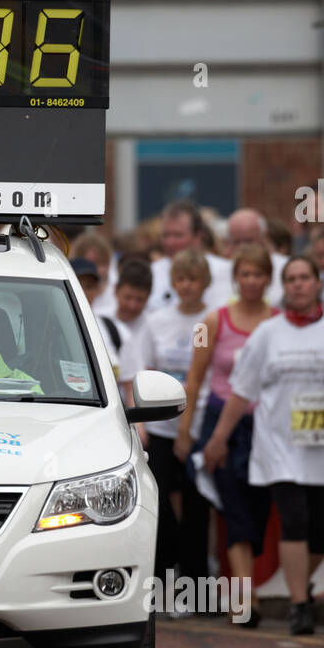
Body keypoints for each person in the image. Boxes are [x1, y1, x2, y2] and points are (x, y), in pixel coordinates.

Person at [202, 255, 324, 635]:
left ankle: (302, 582)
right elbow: (240, 392)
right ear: (285, 287)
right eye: (291, 279)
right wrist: (217, 439)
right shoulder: (268, 333)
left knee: (323, 532)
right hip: (279, 446)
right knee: (294, 521)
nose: (298, 284)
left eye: (305, 277)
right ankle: (300, 606)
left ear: (317, 284)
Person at [175, 243, 278, 626]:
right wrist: (186, 431)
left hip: (266, 427)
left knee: (259, 507)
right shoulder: (210, 322)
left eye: (258, 274)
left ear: (269, 279)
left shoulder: (279, 321)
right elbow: (194, 377)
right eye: (245, 274)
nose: (251, 281)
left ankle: (245, 588)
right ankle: (244, 599)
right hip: (221, 424)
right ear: (235, 279)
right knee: (232, 507)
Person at [135, 249, 211, 591]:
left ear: (205, 282)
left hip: (202, 425)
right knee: (160, 502)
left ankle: (196, 579)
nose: (186, 285)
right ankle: (164, 579)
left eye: (193, 279)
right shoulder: (157, 320)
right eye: (180, 279)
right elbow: (143, 367)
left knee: (198, 505)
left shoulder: (214, 318)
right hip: (162, 425)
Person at [146, 200, 233, 313]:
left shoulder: (226, 271)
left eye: (178, 235)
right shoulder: (151, 272)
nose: (170, 242)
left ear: (198, 235)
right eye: (165, 235)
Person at [222, 208, 288, 308]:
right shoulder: (218, 271)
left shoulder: (286, 267)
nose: (242, 247)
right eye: (236, 242)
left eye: (248, 241)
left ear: (264, 236)